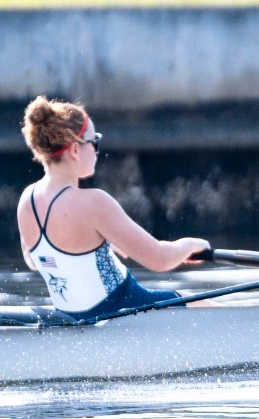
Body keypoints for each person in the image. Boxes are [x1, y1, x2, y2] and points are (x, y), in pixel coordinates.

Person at [15, 97, 208, 320]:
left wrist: (98, 242)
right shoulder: (94, 202)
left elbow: (37, 260)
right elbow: (160, 259)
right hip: (125, 312)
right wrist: (192, 245)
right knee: (200, 304)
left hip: (74, 322)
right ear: (75, 150)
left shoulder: (26, 200)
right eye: (94, 142)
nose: (97, 151)